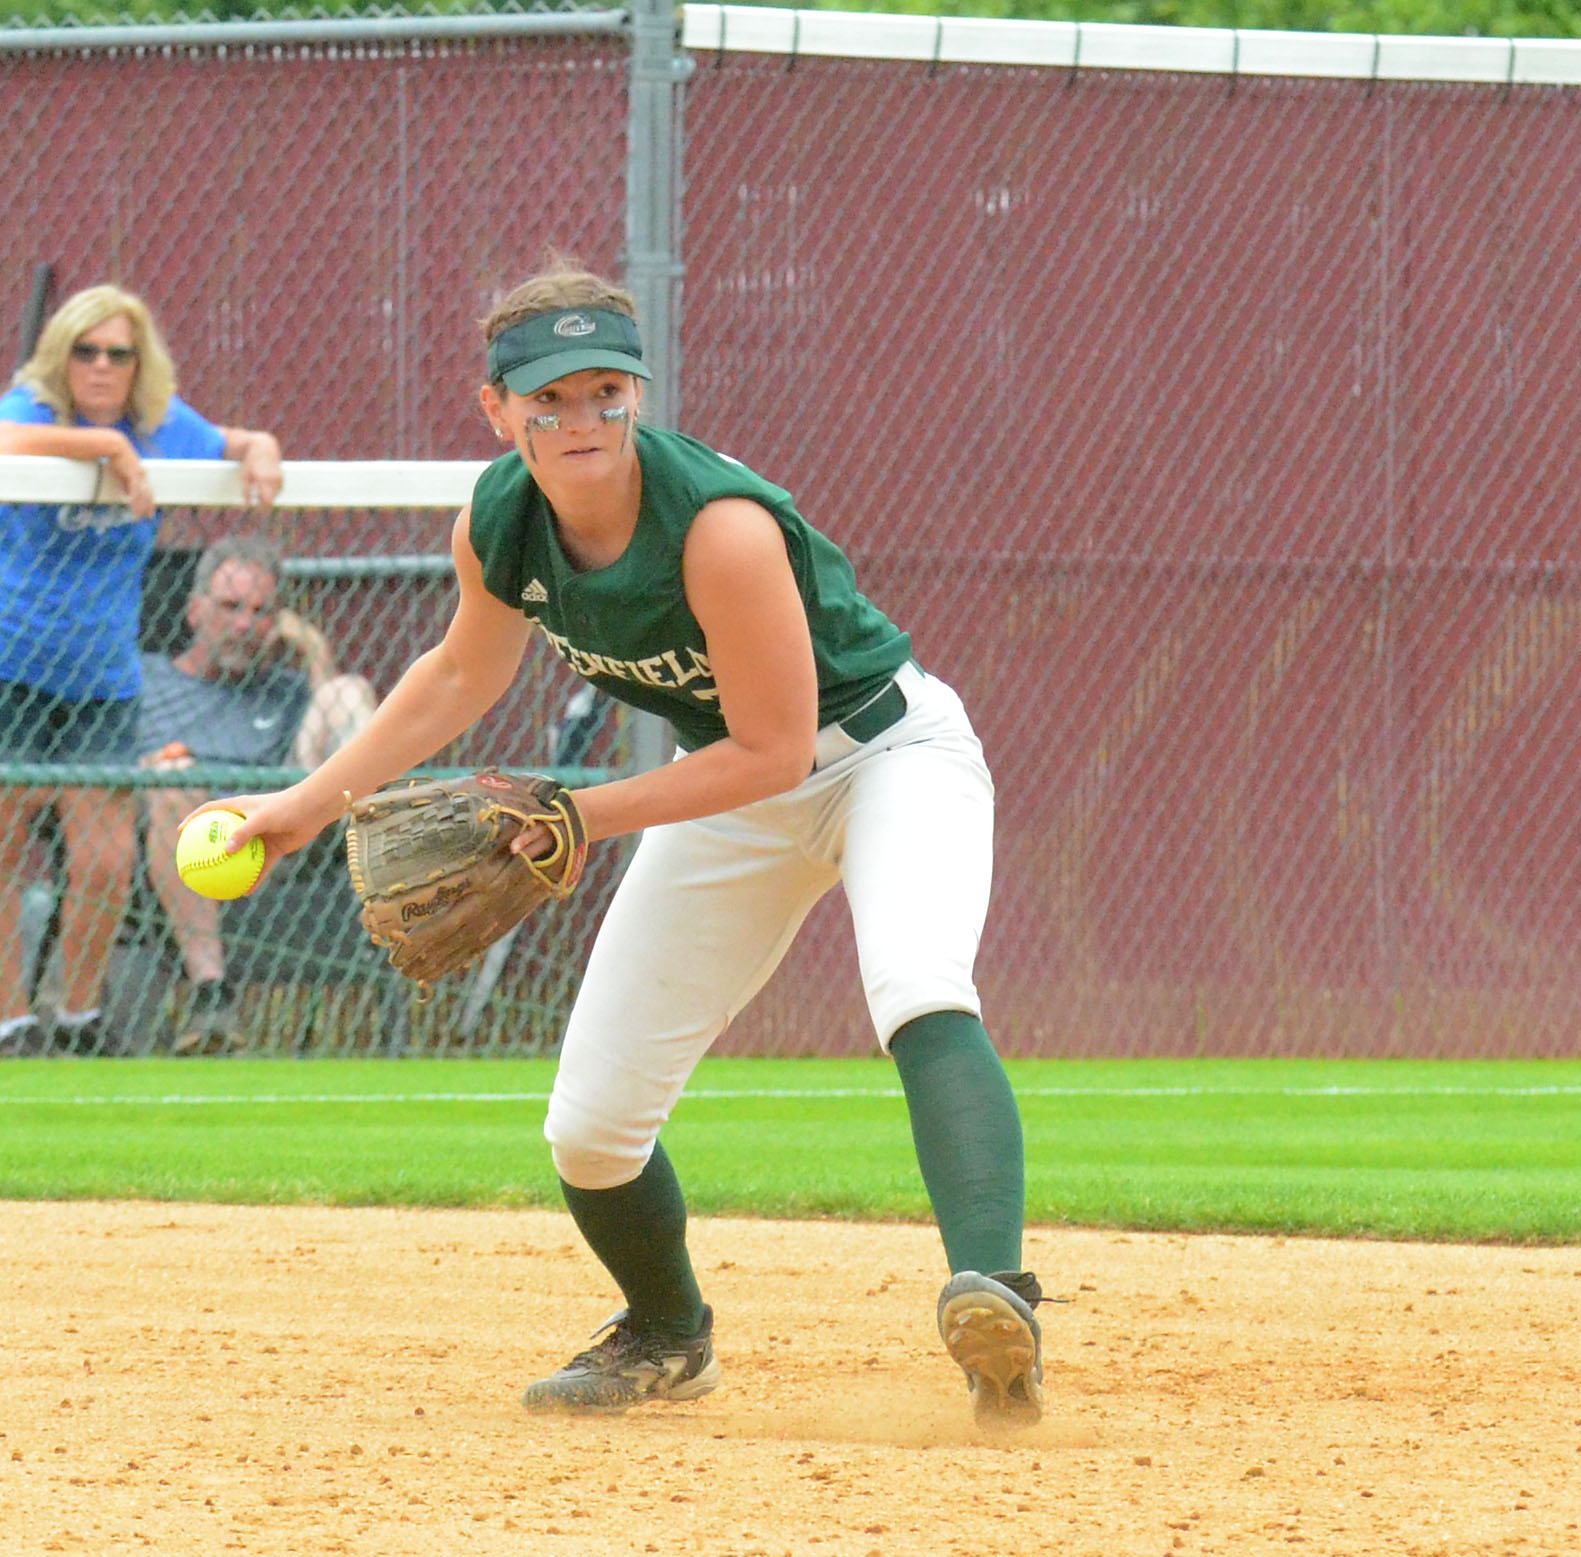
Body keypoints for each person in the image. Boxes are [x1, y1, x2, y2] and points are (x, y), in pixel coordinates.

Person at [202, 264, 1046, 1426]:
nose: (580, 420)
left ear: (637, 395)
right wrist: (306, 798)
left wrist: (575, 814)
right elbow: (460, 672)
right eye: (548, 399)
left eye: (606, 391)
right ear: (496, 409)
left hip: (885, 756)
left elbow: (777, 748)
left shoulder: (719, 529)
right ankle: (665, 1333)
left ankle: (994, 1302)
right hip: (731, 781)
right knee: (592, 1127)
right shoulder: (499, 519)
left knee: (915, 985)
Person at [0, 284, 283, 1056]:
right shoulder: (31, 410)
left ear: (138, 362)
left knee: (103, 859)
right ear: (62, 355)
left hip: (101, 679)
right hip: (12, 666)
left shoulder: (162, 425)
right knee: (4, 839)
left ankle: (82, 1020)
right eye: (85, 351)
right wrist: (106, 449)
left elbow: (235, 440)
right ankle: (12, 1023)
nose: (99, 366)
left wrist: (258, 449)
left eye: (116, 353)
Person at [137, 535, 378, 1054]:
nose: (244, 625)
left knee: (349, 693)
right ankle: (212, 993)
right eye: (229, 607)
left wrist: (313, 651)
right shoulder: (145, 681)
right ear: (194, 610)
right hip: (182, 848)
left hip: (287, 840)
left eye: (260, 611)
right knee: (173, 778)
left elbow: (337, 739)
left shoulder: (287, 690)